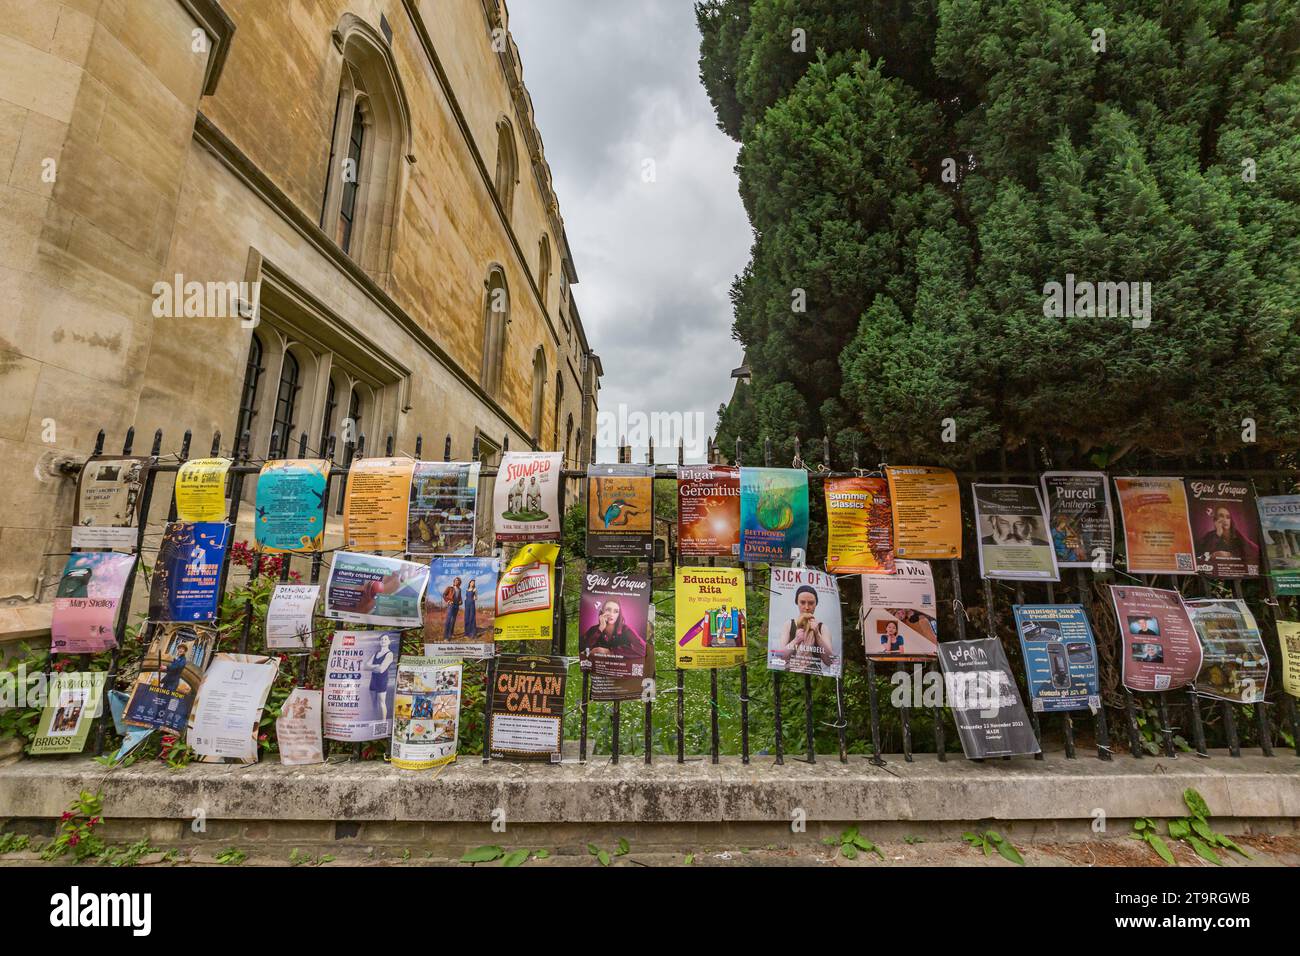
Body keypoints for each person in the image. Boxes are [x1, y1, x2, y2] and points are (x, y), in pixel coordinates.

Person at [771, 585, 835, 671]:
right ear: (797, 602)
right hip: (791, 675)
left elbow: (830, 661)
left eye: (811, 603)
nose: (807, 607)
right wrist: (796, 640)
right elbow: (781, 658)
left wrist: (817, 635)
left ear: (816, 604)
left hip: (814, 675)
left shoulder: (822, 628)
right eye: (802, 602)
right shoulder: (789, 624)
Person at [582, 599, 646, 663]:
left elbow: (643, 650)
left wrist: (609, 652)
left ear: (619, 614)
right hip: (598, 669)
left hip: (621, 669)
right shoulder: (593, 629)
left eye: (616, 611)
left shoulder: (626, 629)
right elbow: (583, 649)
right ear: (602, 611)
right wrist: (600, 629)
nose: (611, 614)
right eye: (608, 610)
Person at [364, 634, 396, 723]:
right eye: (381, 639)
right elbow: (365, 667)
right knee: (373, 702)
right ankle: (374, 719)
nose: (383, 640)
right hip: (373, 679)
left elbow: (381, 669)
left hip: (382, 679)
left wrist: (372, 666)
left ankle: (383, 722)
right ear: (379, 641)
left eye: (385, 639)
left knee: (382, 702)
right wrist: (376, 666)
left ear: (389, 642)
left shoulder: (389, 654)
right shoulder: (375, 654)